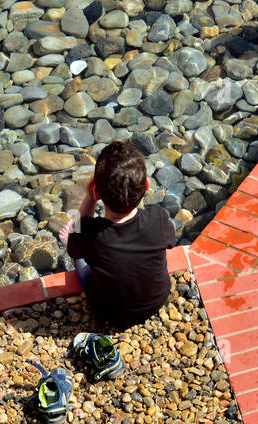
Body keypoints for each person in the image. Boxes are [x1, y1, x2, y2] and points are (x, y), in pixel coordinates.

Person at [58, 139, 176, 329]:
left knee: (77, 253)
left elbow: (78, 235)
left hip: (110, 311)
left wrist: (89, 198)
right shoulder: (158, 218)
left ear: (97, 192)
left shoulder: (91, 234)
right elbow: (171, 243)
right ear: (146, 186)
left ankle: (70, 241)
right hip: (157, 300)